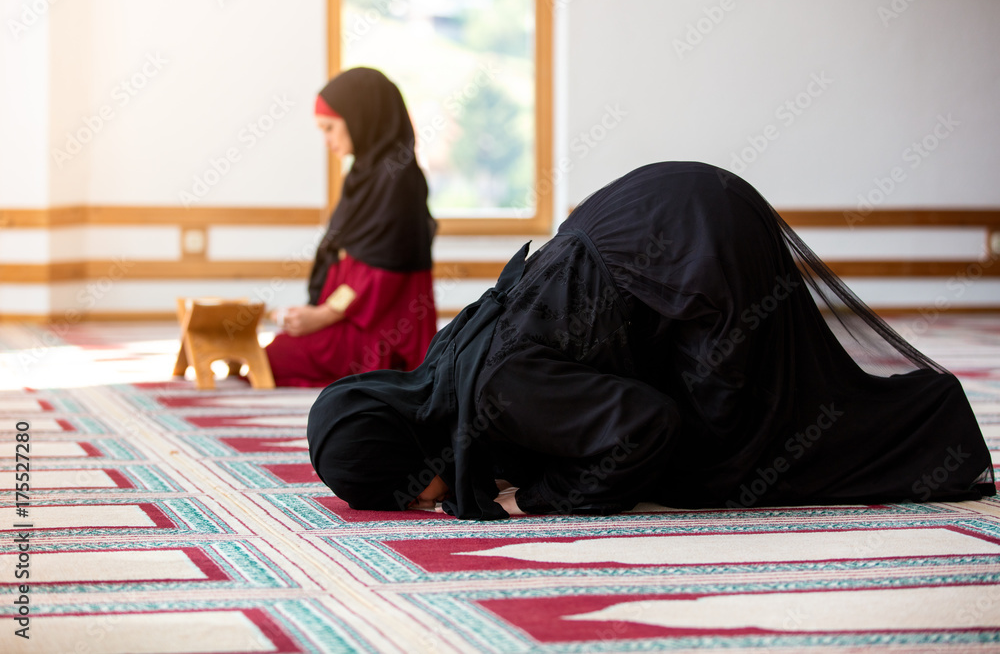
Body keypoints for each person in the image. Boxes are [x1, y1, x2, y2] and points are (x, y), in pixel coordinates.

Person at [306, 161, 995, 519]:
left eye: (404, 490)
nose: (422, 500)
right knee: (766, 411)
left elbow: (643, 424)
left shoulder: (497, 388)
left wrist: (540, 496)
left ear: (404, 449)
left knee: (728, 458)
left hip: (689, 252)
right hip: (655, 213)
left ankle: (934, 428)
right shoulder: (449, 369)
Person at [265, 68, 438, 387]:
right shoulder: (365, 174)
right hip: (349, 316)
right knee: (265, 355)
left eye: (330, 128)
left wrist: (321, 316)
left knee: (270, 360)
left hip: (380, 329)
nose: (327, 141)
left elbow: (381, 275)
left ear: (361, 118)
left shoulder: (397, 180)